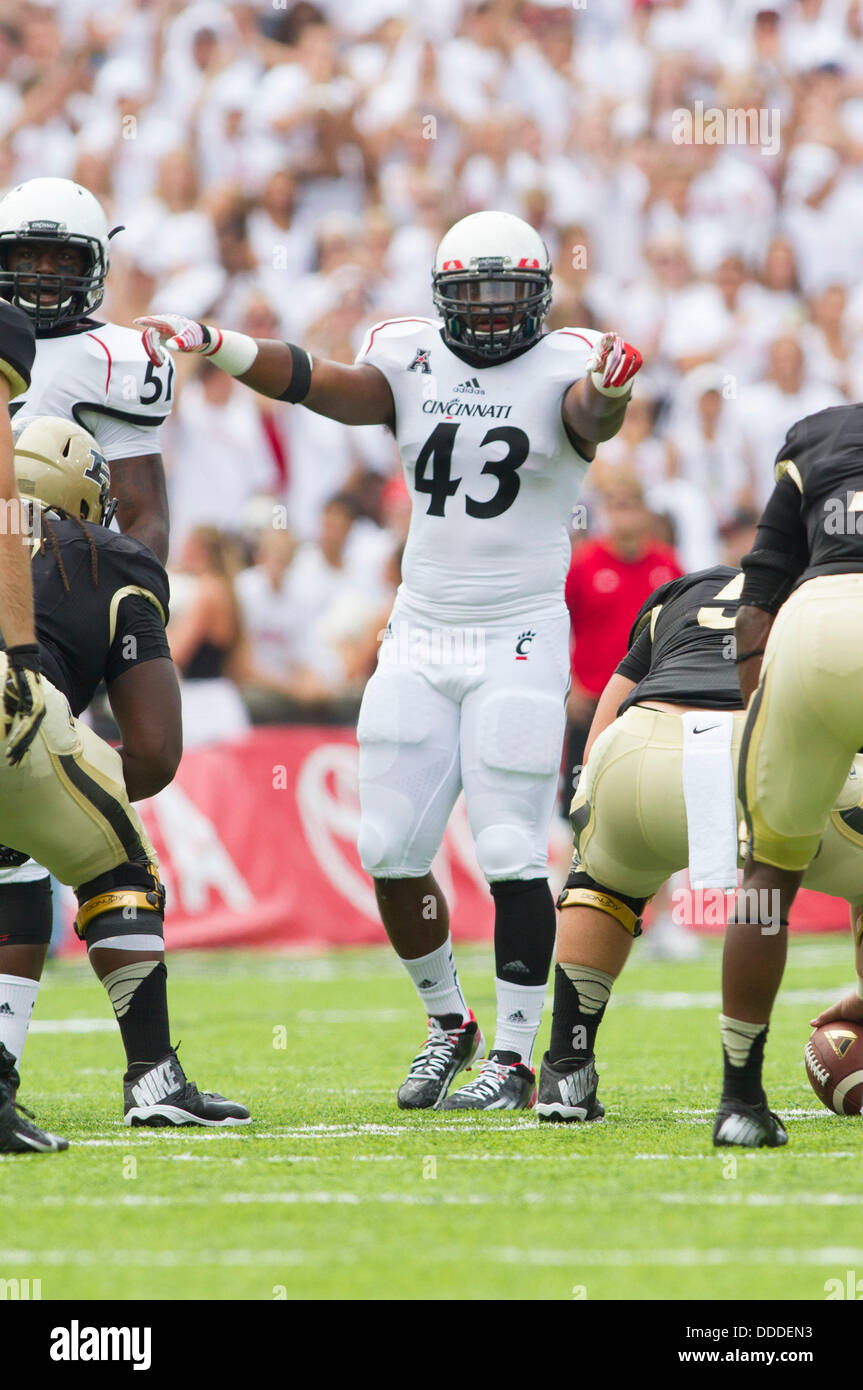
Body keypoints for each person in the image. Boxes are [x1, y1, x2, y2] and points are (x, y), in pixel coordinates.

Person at [136, 208, 643, 1111]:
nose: (488, 315)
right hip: (418, 627)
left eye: (505, 296)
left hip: (517, 631)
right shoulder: (409, 356)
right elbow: (327, 383)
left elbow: (587, 418)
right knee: (388, 846)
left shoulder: (572, 362)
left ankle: (520, 1060)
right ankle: (449, 1023)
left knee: (509, 847)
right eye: (471, 297)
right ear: (441, 299)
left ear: (537, 299)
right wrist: (219, 341)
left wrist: (609, 393)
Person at [537, 564, 863, 1128]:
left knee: (602, 881)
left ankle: (567, 1067)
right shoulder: (834, 596)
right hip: (771, 760)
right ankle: (741, 1095)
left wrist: (593, 817)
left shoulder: (685, 589)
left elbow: (609, 712)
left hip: (643, 754)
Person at [0, 416, 250, 1145]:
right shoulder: (109, 559)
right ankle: (153, 1076)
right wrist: (70, 785)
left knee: (12, 866)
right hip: (18, 713)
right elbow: (153, 750)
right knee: (116, 867)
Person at [715, 401, 863, 1148]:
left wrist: (762, 720)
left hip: (814, 625)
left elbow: (754, 602)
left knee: (767, 876)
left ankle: (739, 1098)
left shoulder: (816, 434)